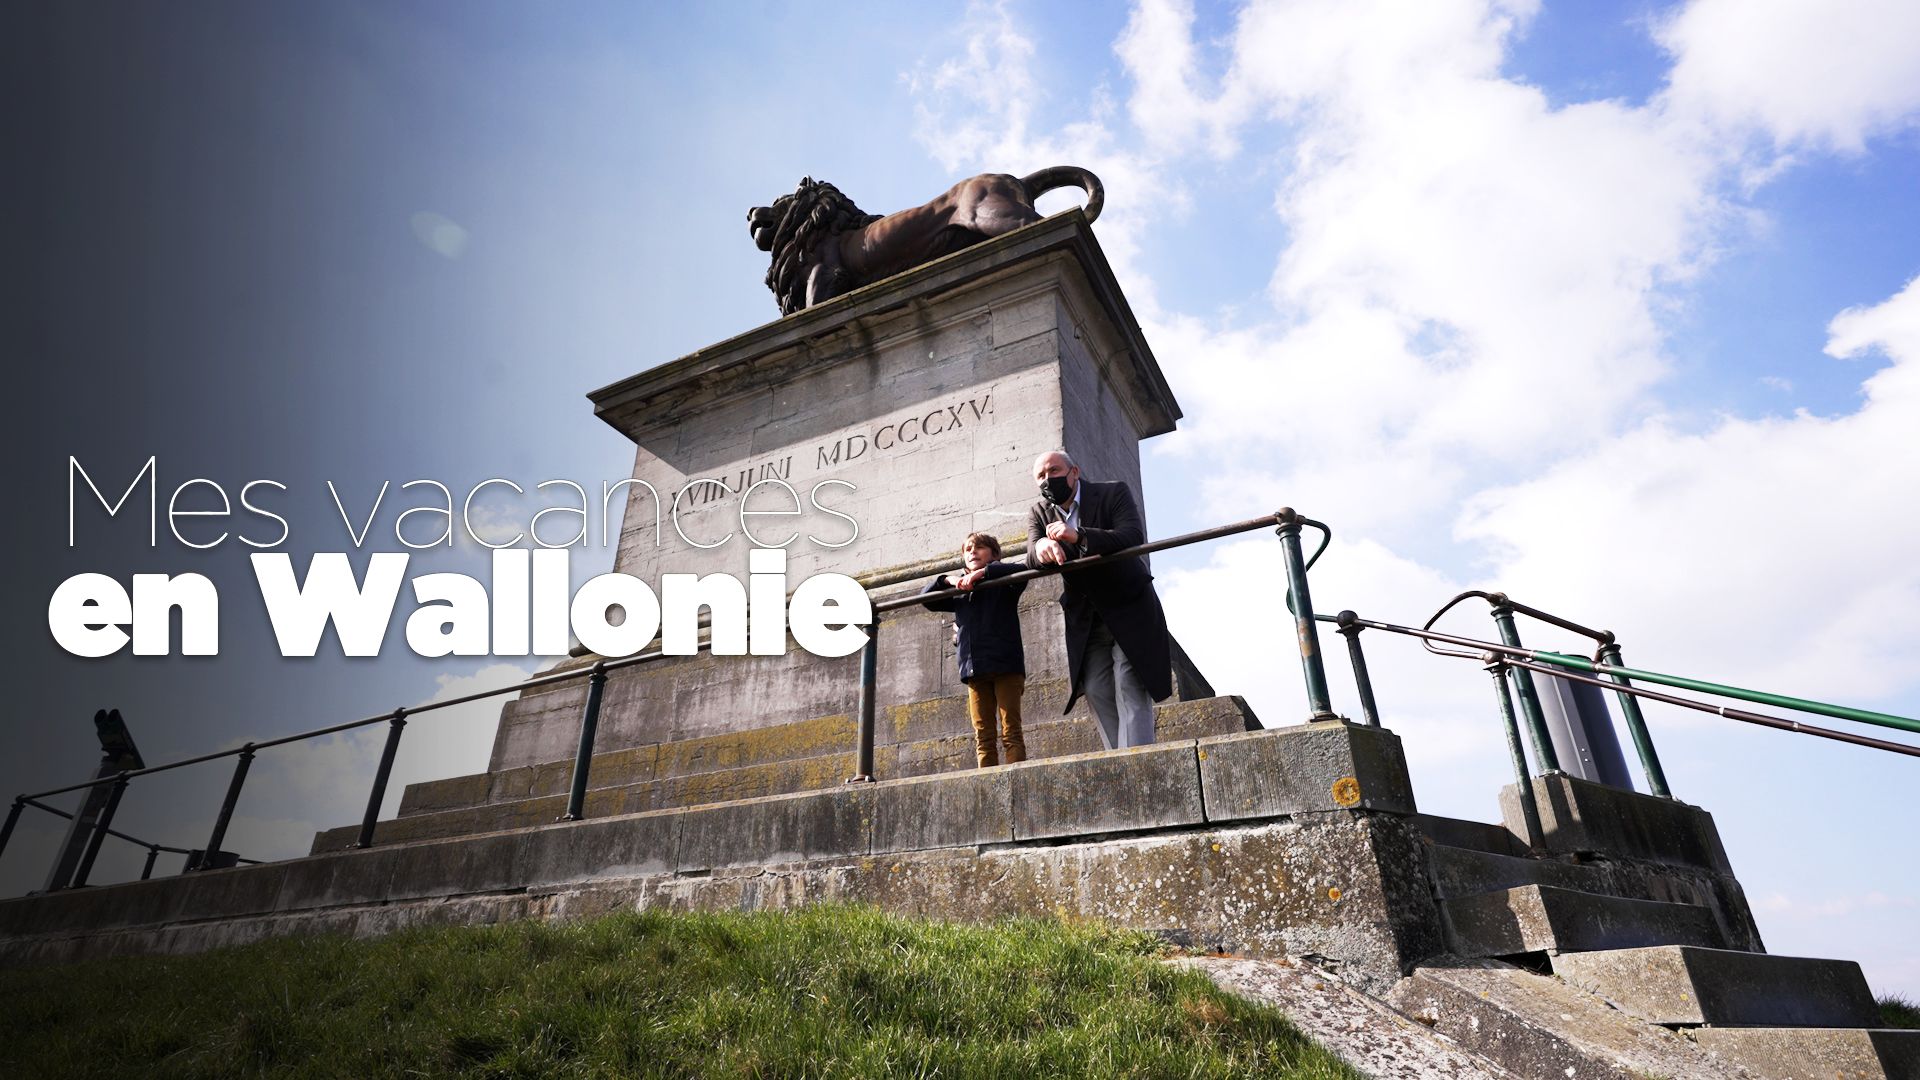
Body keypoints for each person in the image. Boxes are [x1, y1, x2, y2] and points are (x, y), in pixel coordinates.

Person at [1026, 450, 1171, 749]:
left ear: (1074, 472)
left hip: (1129, 605)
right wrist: (1040, 547)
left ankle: (1136, 762)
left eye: (1054, 471)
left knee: (1130, 683)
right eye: (1040, 475)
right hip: (1086, 617)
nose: (1047, 479)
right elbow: (1030, 555)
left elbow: (1132, 535)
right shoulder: (1039, 513)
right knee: (1095, 688)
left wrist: (1079, 535)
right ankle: (1120, 758)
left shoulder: (1112, 491)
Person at [922, 531, 1029, 767]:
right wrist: (950, 580)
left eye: (979, 548)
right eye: (968, 549)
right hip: (974, 669)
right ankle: (988, 783)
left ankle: (1018, 777)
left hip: (1006, 666)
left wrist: (983, 573)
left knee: (1011, 731)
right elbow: (926, 597)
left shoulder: (1004, 583)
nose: (972, 552)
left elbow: (1021, 570)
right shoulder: (960, 591)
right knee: (984, 736)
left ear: (994, 554)